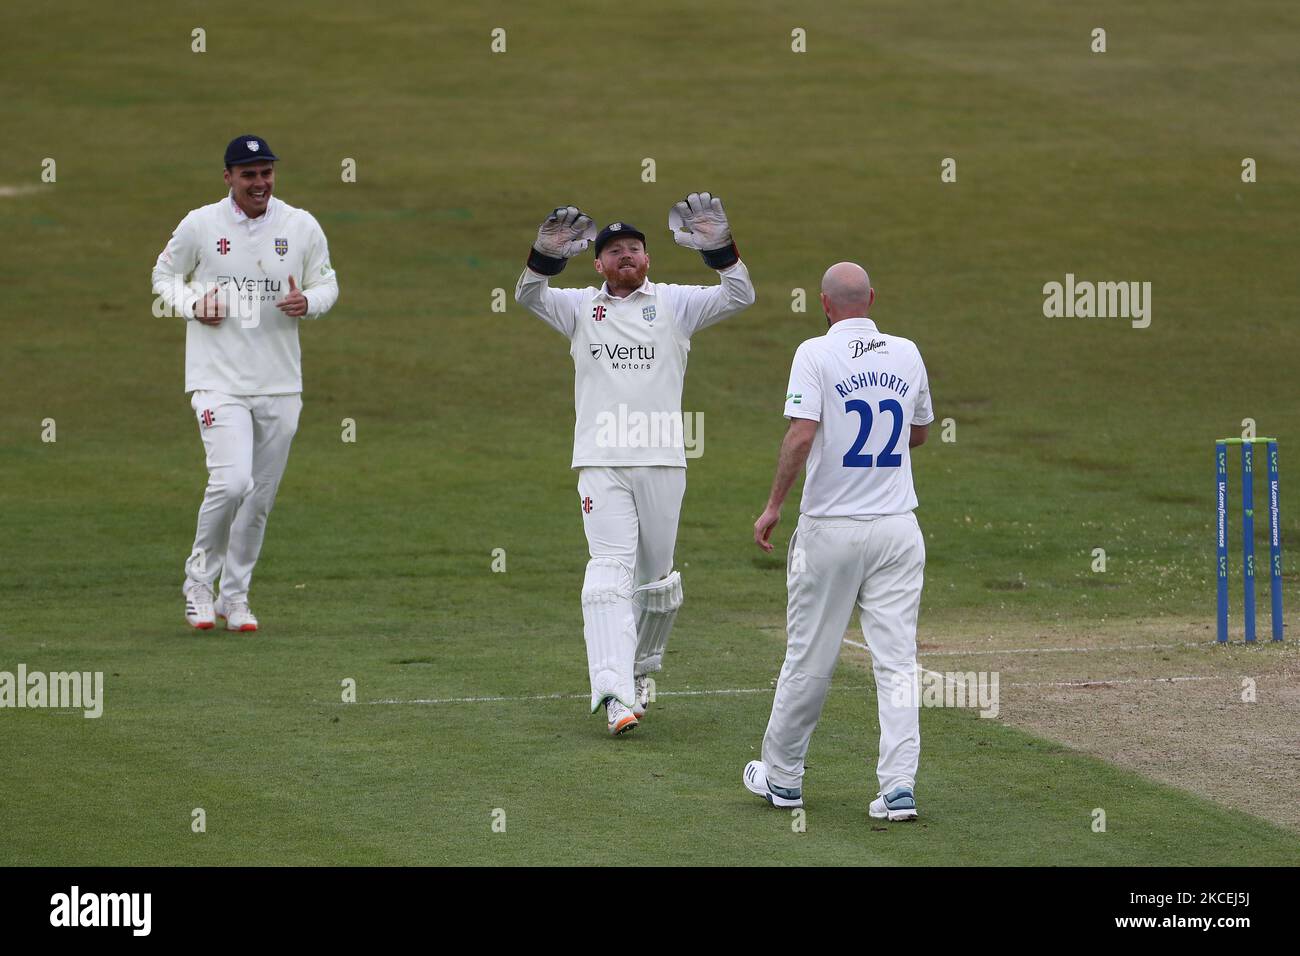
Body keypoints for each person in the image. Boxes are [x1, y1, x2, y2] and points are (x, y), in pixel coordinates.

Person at [515, 194, 756, 735]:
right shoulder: (579, 307)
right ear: (597, 263)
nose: (626, 255)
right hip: (600, 462)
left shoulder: (674, 304)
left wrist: (719, 248)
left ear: (648, 259)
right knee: (607, 575)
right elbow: (528, 295)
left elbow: (740, 294)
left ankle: (642, 670)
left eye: (635, 248)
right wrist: (543, 256)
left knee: (656, 586)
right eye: (614, 250)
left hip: (663, 459)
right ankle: (614, 693)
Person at [744, 262, 932, 820]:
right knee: (898, 662)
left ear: (824, 305)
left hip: (832, 527)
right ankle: (899, 787)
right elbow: (917, 432)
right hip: (898, 526)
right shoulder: (907, 351)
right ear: (872, 298)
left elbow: (802, 433)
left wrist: (774, 504)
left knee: (810, 657)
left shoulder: (815, 353)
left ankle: (782, 777)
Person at [151, 134, 339, 632]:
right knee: (232, 481)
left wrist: (311, 303)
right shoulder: (201, 224)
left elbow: (327, 282)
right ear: (229, 177)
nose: (260, 182)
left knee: (259, 497)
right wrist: (192, 304)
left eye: (266, 172)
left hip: (280, 383)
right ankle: (198, 582)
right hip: (218, 380)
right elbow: (164, 275)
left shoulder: (299, 226)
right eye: (249, 174)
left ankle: (235, 598)